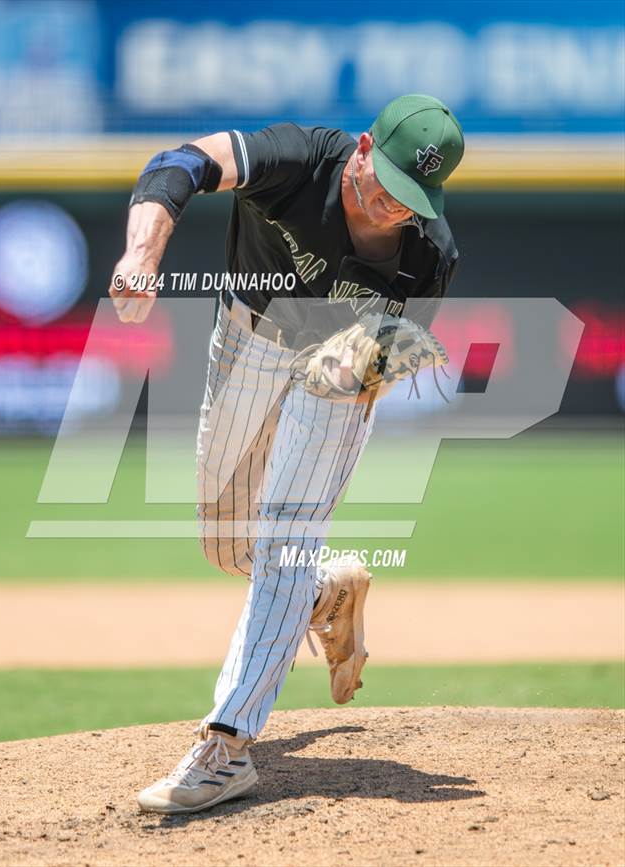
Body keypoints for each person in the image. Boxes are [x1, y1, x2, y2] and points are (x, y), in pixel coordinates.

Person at [109, 94, 464, 814]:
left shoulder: (428, 253)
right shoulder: (297, 159)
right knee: (225, 544)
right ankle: (326, 589)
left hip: (339, 362)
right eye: (388, 185)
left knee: (284, 541)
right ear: (364, 147)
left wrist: (353, 376)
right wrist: (143, 254)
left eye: (413, 199)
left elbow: (388, 355)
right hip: (245, 339)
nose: (397, 208)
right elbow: (180, 163)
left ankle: (227, 747)